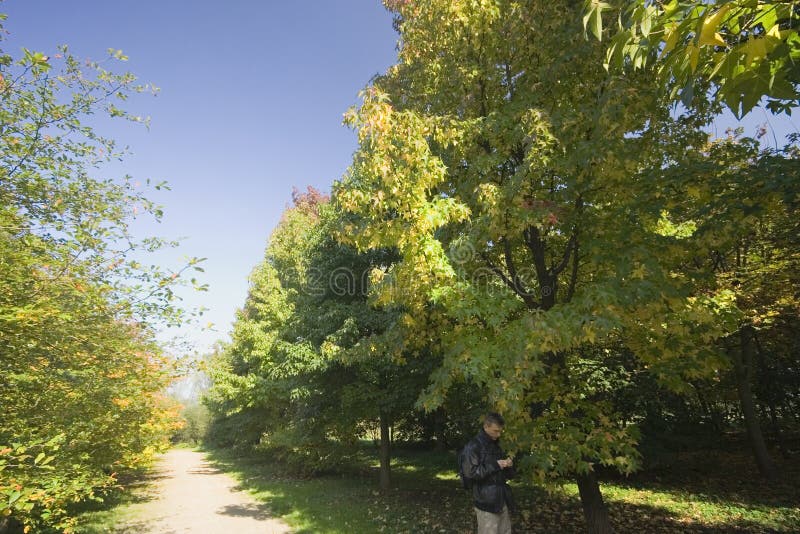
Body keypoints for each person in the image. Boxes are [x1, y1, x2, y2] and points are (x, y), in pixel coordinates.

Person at [461, 412, 516, 534]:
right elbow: (470, 474)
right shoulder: (473, 446)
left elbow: (509, 475)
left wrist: (509, 466)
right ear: (486, 426)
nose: (499, 434)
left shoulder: (497, 445)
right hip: (486, 502)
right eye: (496, 431)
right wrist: (496, 465)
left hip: (502, 499)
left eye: (500, 431)